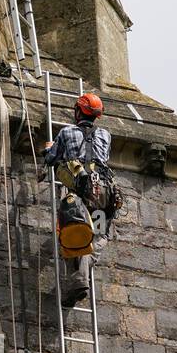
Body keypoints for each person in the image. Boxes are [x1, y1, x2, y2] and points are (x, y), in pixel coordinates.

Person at [43, 92, 120, 306]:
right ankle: (84, 269)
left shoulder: (67, 132)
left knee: (74, 235)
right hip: (103, 194)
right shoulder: (105, 134)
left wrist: (48, 149)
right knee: (99, 234)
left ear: (78, 111)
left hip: (80, 192)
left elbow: (51, 159)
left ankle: (78, 280)